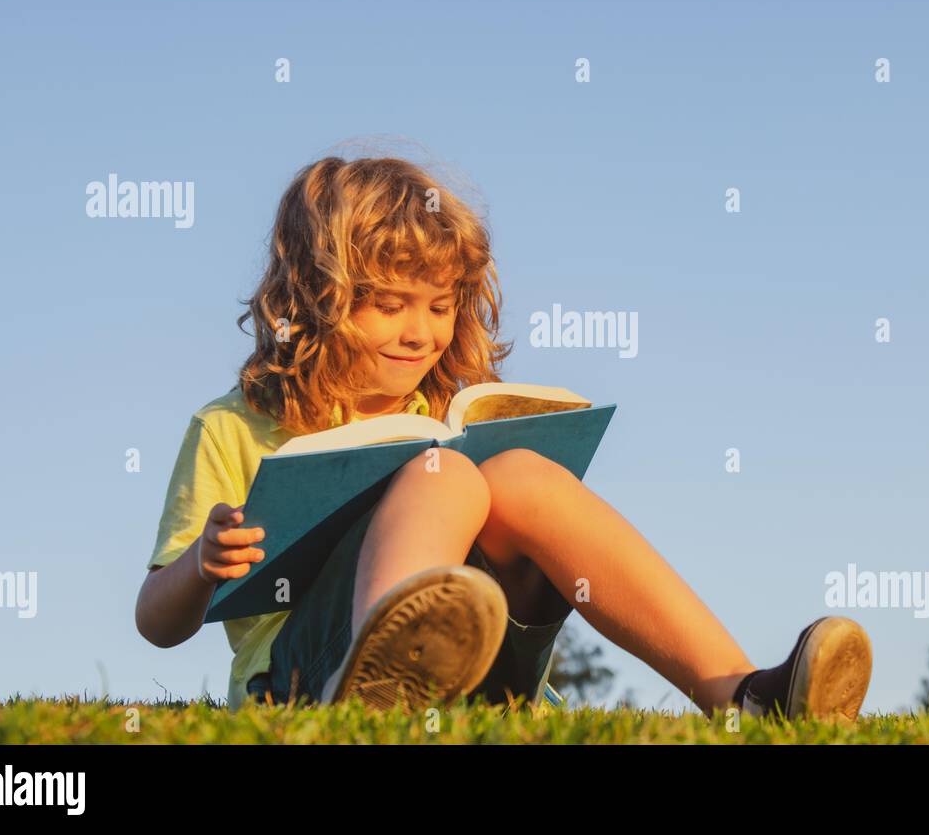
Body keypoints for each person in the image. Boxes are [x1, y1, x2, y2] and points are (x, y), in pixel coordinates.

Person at [134, 155, 874, 721]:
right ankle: (378, 678)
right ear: (311, 298)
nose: (419, 331)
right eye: (388, 304)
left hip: (485, 681)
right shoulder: (234, 423)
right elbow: (155, 621)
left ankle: (740, 692)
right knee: (444, 477)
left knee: (520, 473)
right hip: (302, 685)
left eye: (439, 304)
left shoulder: (446, 412)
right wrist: (201, 566)